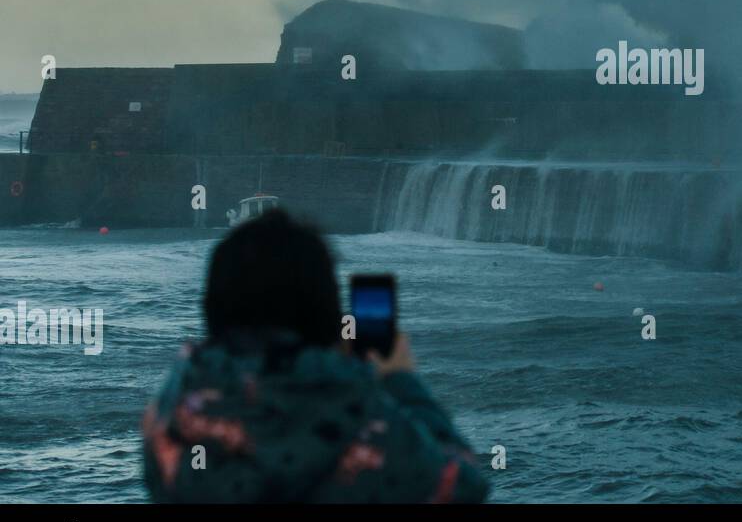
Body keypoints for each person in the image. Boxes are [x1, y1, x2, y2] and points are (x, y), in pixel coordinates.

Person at [141, 209, 489, 503]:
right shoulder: (361, 413)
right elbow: (462, 483)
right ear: (327, 313)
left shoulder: (171, 414)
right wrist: (398, 378)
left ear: (213, 308)